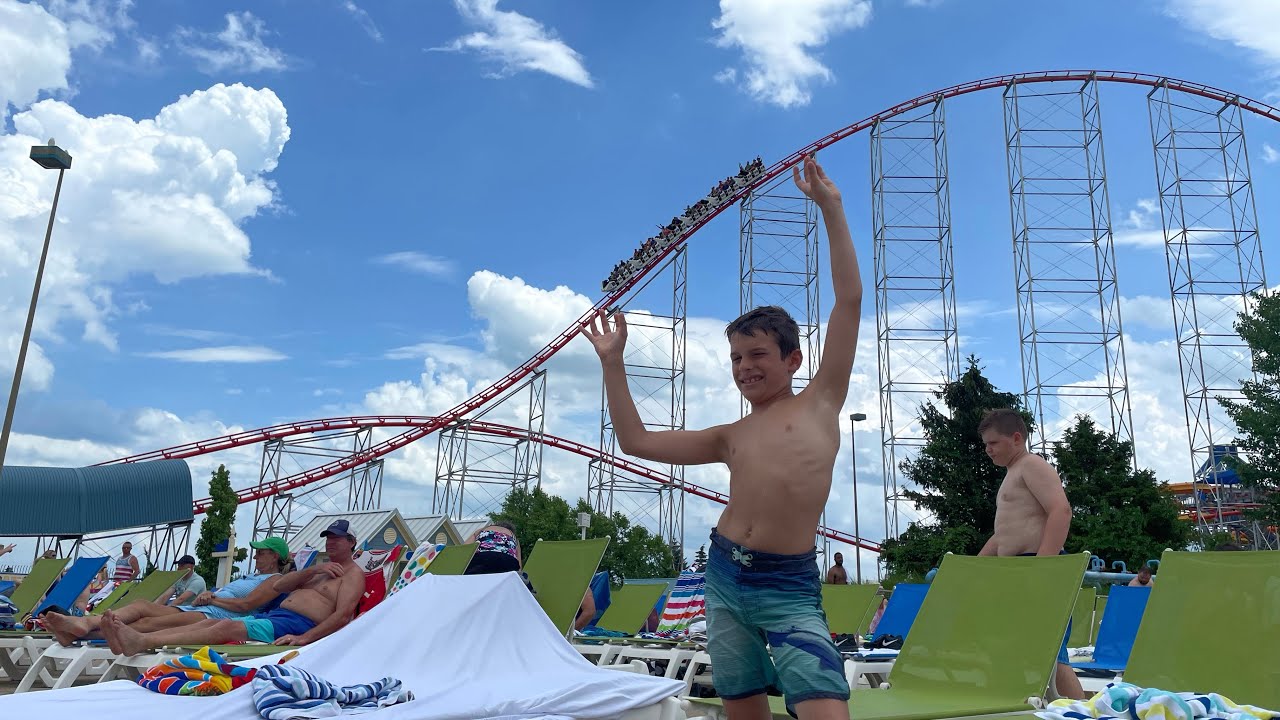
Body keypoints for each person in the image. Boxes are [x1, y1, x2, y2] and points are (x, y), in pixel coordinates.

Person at [584, 154, 861, 720]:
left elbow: (848, 301)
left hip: (788, 581)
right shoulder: (730, 435)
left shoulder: (820, 401)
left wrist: (831, 208)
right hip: (725, 572)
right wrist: (614, 364)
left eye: (757, 355)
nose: (744, 367)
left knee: (824, 706)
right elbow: (636, 442)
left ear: (793, 359)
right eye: (736, 357)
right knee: (741, 704)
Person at [99, 521, 363, 654]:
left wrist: (304, 639)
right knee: (205, 626)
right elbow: (282, 584)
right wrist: (315, 568)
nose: (331, 543)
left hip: (297, 626)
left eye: (338, 539)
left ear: (351, 542)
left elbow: (343, 616)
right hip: (274, 618)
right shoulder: (318, 571)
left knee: (225, 627)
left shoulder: (353, 575)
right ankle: (117, 634)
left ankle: (142, 641)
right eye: (328, 538)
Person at [977, 408, 1085, 700]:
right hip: (1016, 572)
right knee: (1014, 648)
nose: (988, 450)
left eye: (993, 443)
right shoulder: (1012, 474)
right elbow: (1004, 535)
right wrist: (974, 568)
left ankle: (1082, 711)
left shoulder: (1031, 465)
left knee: (1052, 654)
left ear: (1016, 438)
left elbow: (1061, 511)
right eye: (985, 444)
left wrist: (1043, 567)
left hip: (1038, 566)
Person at [45, 537, 291, 646]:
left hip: (216, 616)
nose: (256, 555)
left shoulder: (275, 579)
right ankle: (84, 624)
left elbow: (247, 606)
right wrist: (210, 596)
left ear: (275, 556)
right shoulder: (253, 576)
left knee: (149, 622)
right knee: (141, 604)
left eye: (262, 552)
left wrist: (213, 597)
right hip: (204, 607)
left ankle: (80, 633)